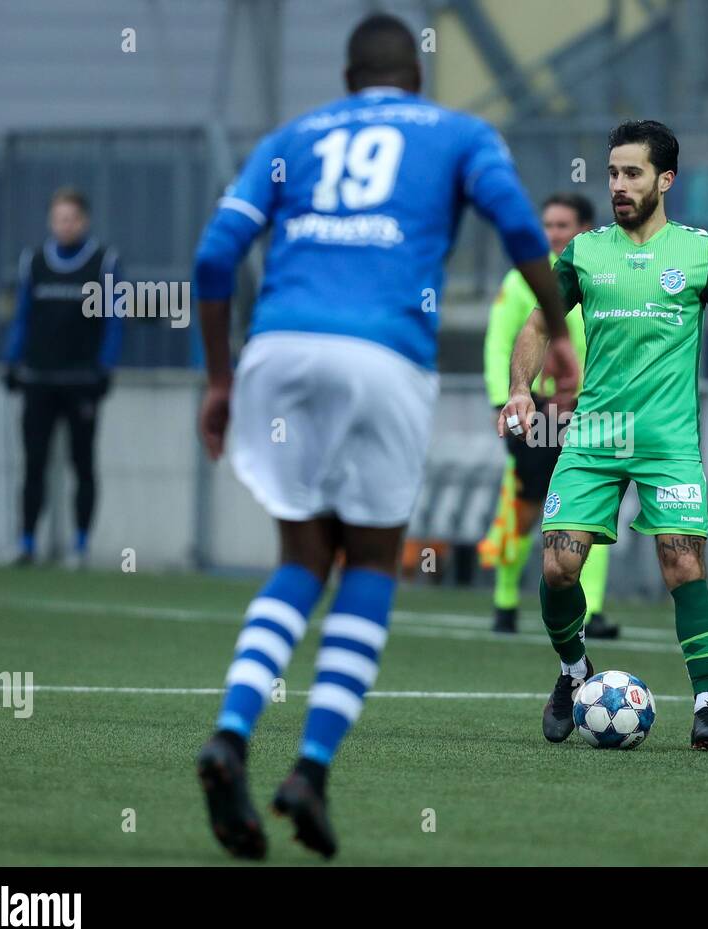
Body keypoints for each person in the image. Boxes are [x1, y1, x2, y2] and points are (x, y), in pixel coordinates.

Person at [190, 13, 578, 860]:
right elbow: (519, 230)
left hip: (279, 348)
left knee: (300, 562)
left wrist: (220, 377)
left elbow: (215, 258)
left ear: (346, 77)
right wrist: (555, 325)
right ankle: (311, 772)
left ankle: (229, 733)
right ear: (416, 78)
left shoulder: (294, 135)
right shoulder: (458, 133)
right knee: (368, 562)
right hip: (382, 354)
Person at [499, 120, 708, 751]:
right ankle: (575, 670)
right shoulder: (583, 252)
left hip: (667, 442)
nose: (619, 185)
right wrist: (521, 387)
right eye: (612, 174)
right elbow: (537, 327)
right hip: (596, 435)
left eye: (632, 173)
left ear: (666, 179)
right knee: (556, 567)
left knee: (682, 564)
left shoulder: (702, 253)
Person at [482, 193, 619, 639]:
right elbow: (500, 341)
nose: (553, 234)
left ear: (585, 228)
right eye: (548, 225)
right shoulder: (525, 278)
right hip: (541, 410)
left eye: (563, 225)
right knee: (523, 507)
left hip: (593, 407)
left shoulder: (607, 271)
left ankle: (591, 610)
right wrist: (499, 397)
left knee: (593, 511)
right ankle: (505, 600)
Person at [2, 186, 122, 568]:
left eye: (71, 219)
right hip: (38, 378)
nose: (64, 225)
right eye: (58, 219)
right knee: (33, 463)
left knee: (82, 464)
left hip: (81, 381)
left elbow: (114, 320)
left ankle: (81, 546)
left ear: (83, 221)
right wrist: (12, 361)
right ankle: (26, 543)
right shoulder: (33, 262)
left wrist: (105, 367)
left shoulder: (103, 262)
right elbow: (22, 316)